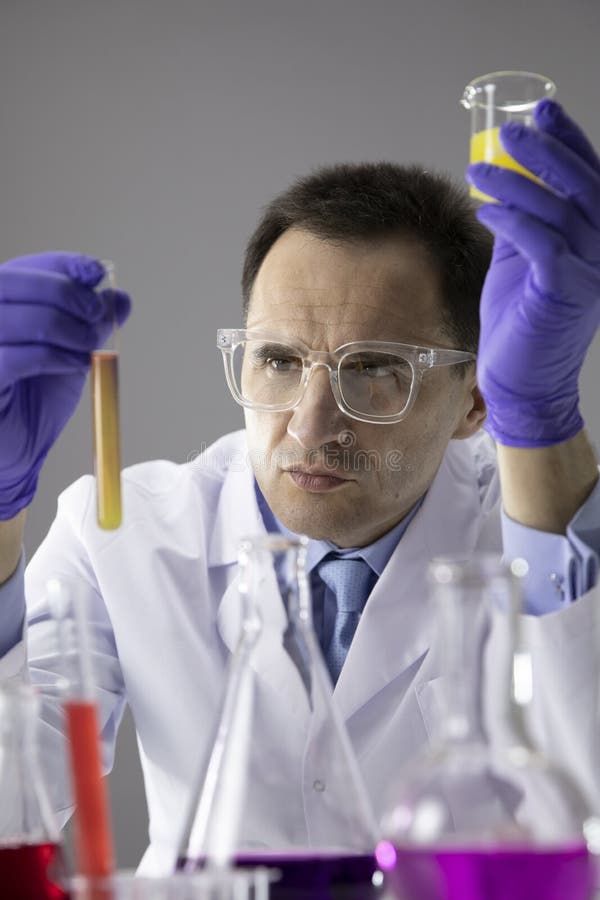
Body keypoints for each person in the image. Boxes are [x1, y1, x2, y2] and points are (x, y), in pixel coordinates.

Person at [0, 98, 600, 873]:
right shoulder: (121, 531)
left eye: (375, 369)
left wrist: (540, 429)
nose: (313, 426)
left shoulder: (536, 533)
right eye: (279, 361)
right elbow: (14, 796)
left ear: (475, 399)